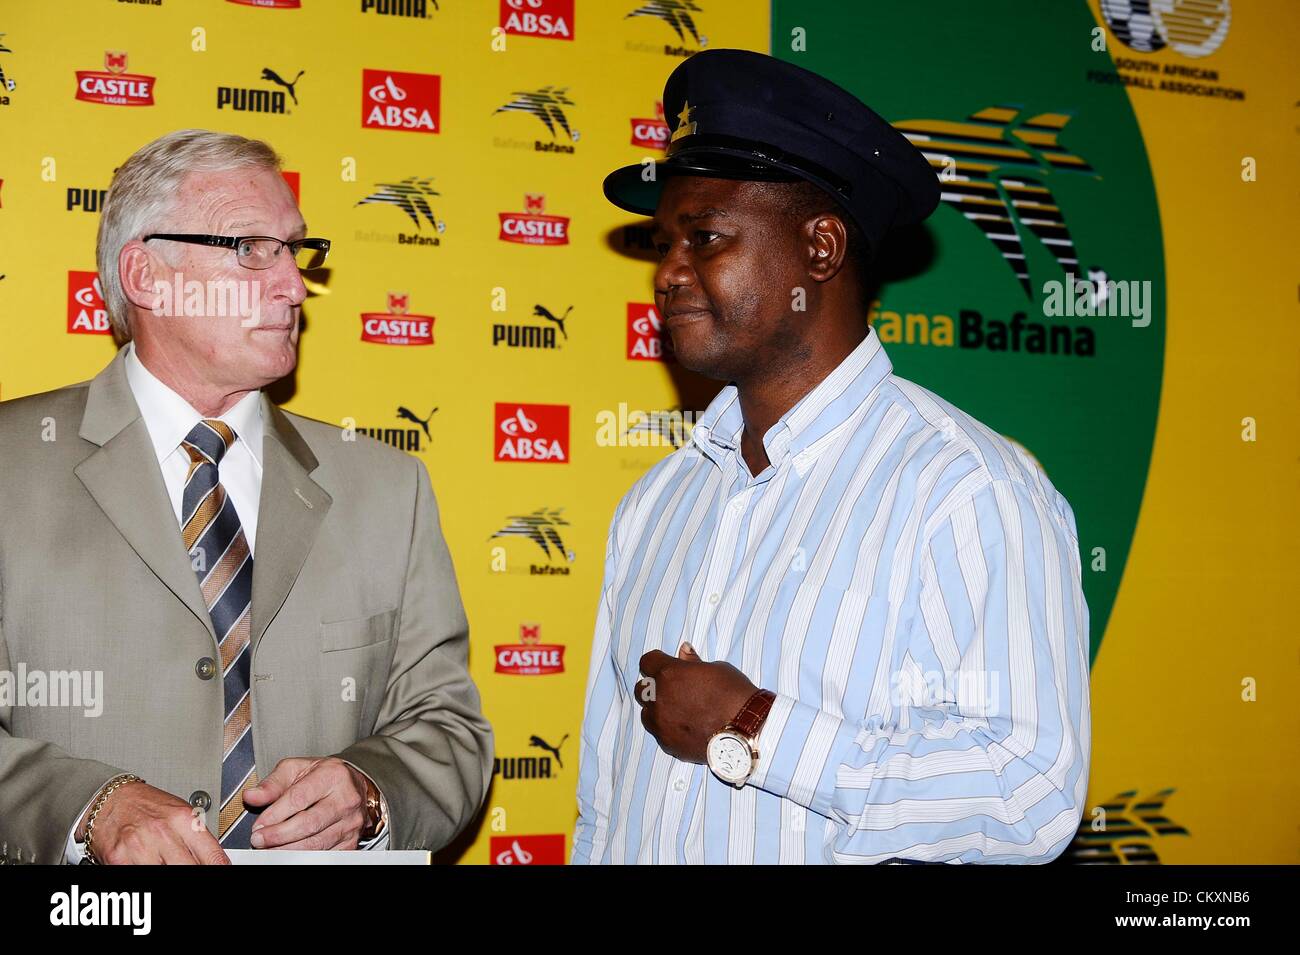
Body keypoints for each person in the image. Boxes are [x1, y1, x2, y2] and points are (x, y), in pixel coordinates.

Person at [573, 50, 1090, 864]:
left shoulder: (964, 489)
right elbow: (605, 802)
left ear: (820, 248)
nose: (667, 274)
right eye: (662, 243)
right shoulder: (655, 503)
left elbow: (1030, 796)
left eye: (703, 237)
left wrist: (756, 726)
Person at [0, 129, 492, 864]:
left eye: (296, 250)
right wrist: (84, 807)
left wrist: (371, 789)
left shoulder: (389, 488)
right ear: (145, 274)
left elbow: (449, 729)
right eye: (251, 249)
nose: (294, 284)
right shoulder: (12, 467)